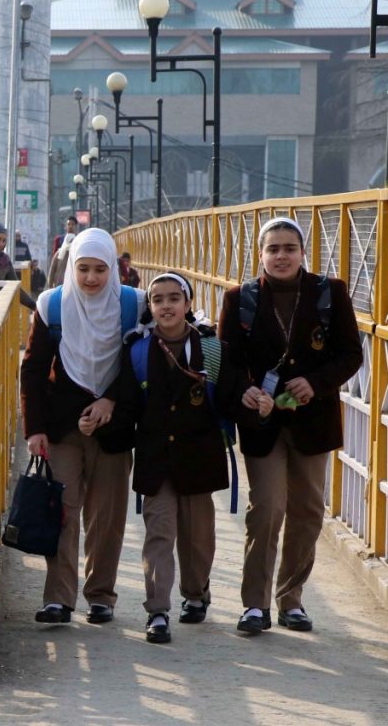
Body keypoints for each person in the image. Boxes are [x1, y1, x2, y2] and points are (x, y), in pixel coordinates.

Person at [218, 218, 362, 636]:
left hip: (312, 421)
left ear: (302, 252)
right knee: (266, 508)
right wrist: (246, 391)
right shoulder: (239, 299)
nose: (281, 256)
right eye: (273, 248)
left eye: (289, 248)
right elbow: (227, 361)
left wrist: (315, 383)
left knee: (308, 512)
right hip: (263, 422)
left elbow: (351, 354)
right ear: (260, 254)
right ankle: (254, 605)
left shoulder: (330, 293)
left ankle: (291, 599)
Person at [114, 273, 271, 644]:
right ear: (150, 307)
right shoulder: (137, 350)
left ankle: (196, 593)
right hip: (156, 459)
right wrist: (105, 421)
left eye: (174, 298)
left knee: (197, 536)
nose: (166, 306)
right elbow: (126, 404)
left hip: (200, 457)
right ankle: (157, 611)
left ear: (188, 304)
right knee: (159, 532)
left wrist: (255, 407)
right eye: (157, 300)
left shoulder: (213, 350)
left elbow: (231, 397)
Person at [20, 228, 145, 626]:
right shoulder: (51, 305)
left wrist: (112, 401)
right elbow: (33, 369)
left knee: (107, 517)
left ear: (114, 269)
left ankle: (101, 596)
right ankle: (58, 599)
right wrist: (34, 429)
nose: (91, 278)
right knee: (61, 511)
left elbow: (141, 364)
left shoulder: (135, 305)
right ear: (71, 267)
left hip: (114, 427)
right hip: (62, 426)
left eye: (100, 270)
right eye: (83, 269)